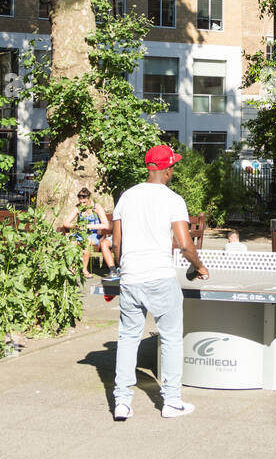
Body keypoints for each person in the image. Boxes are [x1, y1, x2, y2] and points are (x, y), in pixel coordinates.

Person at [110, 145, 208, 421]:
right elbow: (185, 243)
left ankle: (121, 402)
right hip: (160, 277)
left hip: (130, 278)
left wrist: (122, 266)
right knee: (171, 339)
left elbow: (117, 242)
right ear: (167, 170)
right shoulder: (173, 199)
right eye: (172, 166)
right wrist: (198, 266)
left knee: (128, 338)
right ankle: (171, 401)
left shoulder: (126, 197)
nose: (173, 170)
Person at [62, 187, 115, 278]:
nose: (82, 204)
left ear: (89, 199)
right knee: (72, 242)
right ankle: (72, 267)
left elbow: (106, 225)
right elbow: (66, 223)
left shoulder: (97, 208)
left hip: (94, 235)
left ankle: (84, 269)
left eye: (84, 202)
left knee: (85, 242)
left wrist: (89, 226)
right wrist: (76, 226)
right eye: (80, 202)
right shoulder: (78, 208)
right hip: (80, 233)